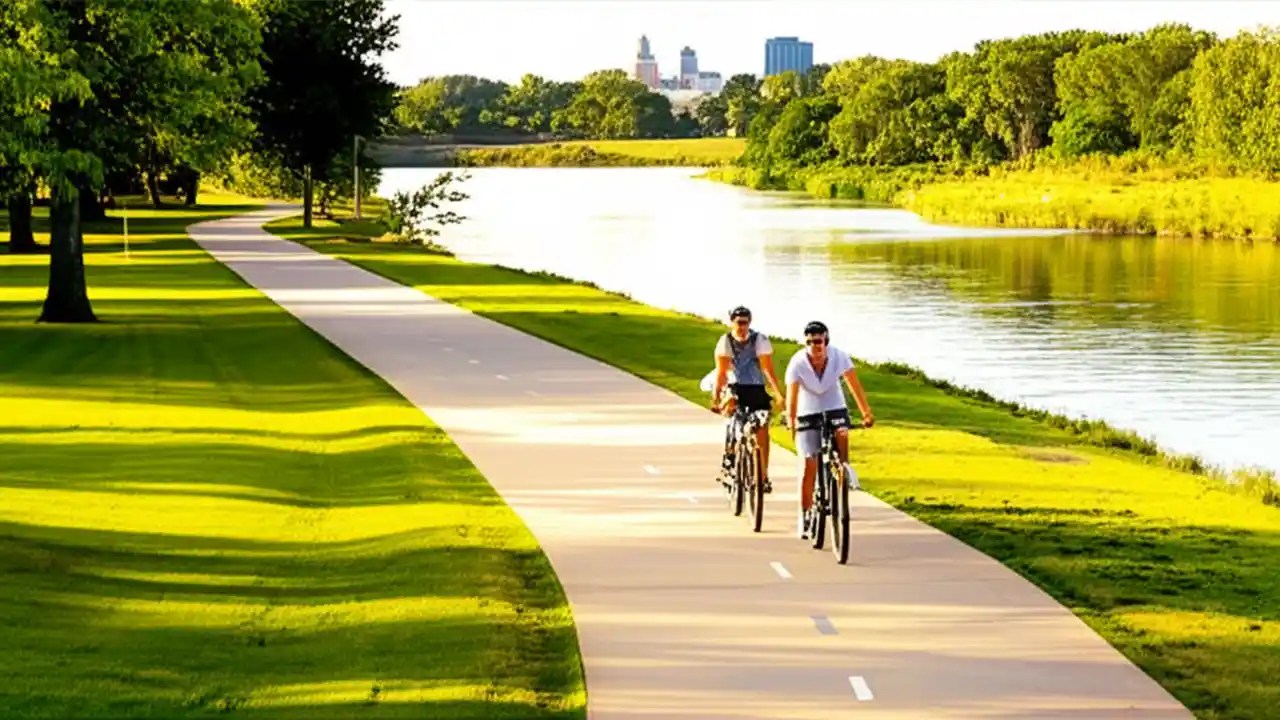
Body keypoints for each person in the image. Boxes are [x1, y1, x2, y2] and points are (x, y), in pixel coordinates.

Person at [784, 320, 874, 538]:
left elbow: (854, 385)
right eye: (809, 342)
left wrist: (866, 412)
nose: (815, 347)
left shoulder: (839, 356)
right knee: (808, 463)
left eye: (818, 342)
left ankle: (843, 471)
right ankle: (804, 514)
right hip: (808, 411)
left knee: (842, 431)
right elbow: (792, 397)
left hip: (834, 406)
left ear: (826, 342)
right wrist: (791, 420)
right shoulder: (797, 363)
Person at [711, 306, 784, 490]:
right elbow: (721, 373)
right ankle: (729, 466)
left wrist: (777, 394)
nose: (742, 327)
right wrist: (716, 398)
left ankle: (763, 476)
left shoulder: (759, 340)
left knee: (762, 430)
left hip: (756, 388)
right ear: (732, 322)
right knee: (732, 423)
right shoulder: (725, 341)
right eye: (738, 323)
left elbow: (767, 369)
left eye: (745, 323)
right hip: (735, 387)